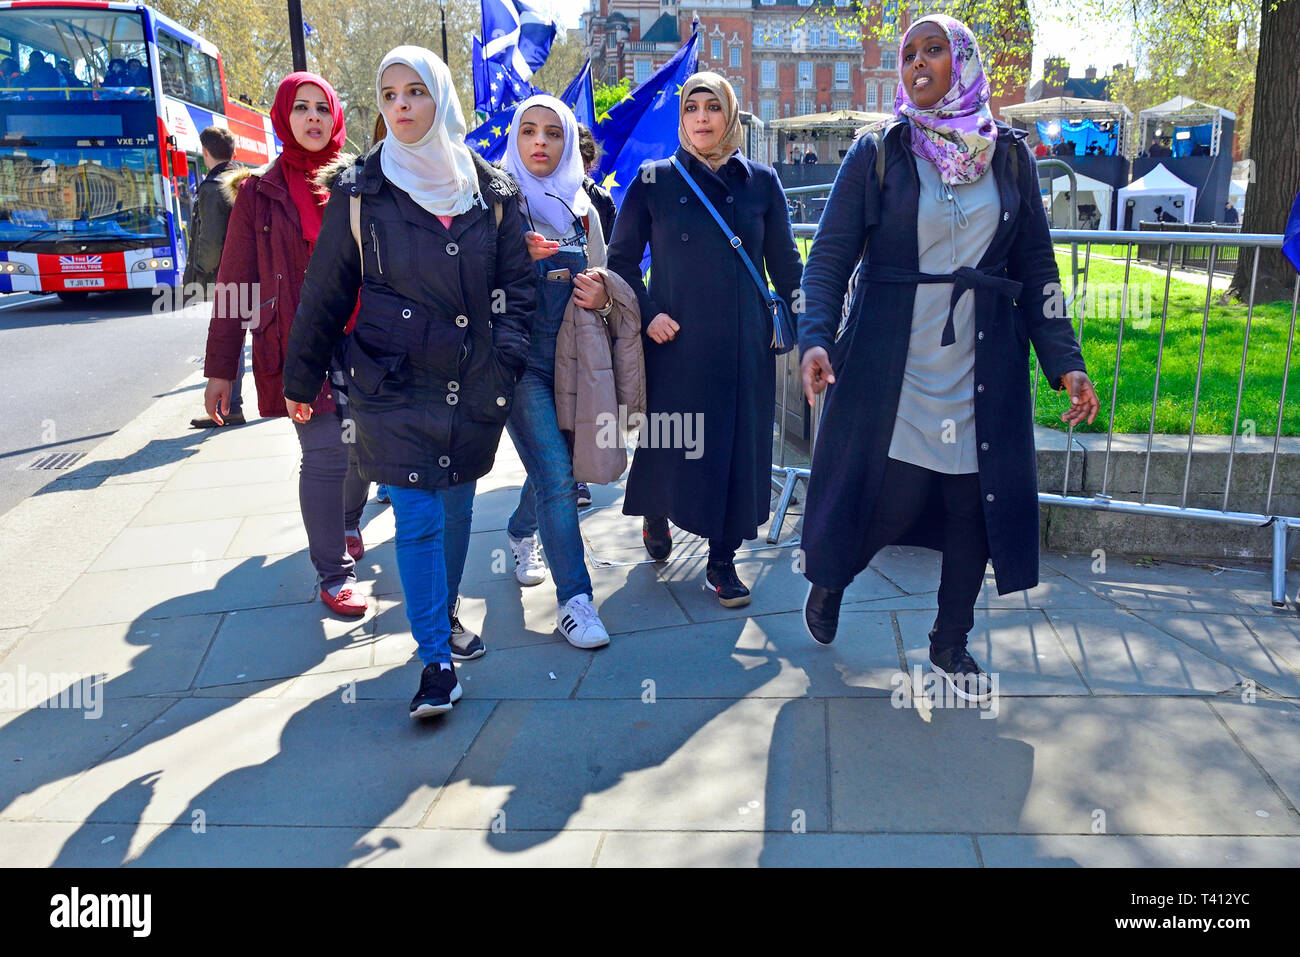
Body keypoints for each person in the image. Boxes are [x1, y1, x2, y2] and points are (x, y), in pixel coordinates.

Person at [797, 14, 1100, 701]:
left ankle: (950, 638)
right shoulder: (880, 151)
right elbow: (830, 259)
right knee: (891, 495)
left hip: (981, 365)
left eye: (935, 50)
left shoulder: (1011, 159)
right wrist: (816, 336)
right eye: (909, 53)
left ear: (963, 63)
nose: (919, 63)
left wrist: (1066, 361)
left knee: (973, 504)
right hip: (891, 364)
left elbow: (1038, 271)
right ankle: (833, 574)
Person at [284, 47, 534, 717]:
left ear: (441, 100)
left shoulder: (492, 191)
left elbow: (520, 290)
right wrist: (301, 375)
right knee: (417, 517)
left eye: (415, 91)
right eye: (388, 93)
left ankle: (444, 615)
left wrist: (504, 359)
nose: (400, 105)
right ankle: (435, 662)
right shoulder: (360, 190)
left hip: (470, 380)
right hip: (389, 382)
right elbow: (324, 290)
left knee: (455, 509)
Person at [606, 71, 804, 607]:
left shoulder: (761, 181)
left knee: (737, 449)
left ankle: (722, 561)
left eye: (712, 107)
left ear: (730, 115)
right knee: (673, 442)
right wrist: (647, 314)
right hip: (676, 343)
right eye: (691, 107)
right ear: (681, 118)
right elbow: (619, 262)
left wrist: (808, 330)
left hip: (745, 347)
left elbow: (786, 266)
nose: (701, 118)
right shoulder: (654, 179)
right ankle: (655, 513)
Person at [202, 71, 370, 617]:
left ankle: (347, 521)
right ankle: (332, 574)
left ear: (337, 117)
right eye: (301, 108)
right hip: (298, 346)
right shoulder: (257, 193)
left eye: (323, 108)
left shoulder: (367, 180)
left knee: (361, 453)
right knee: (324, 453)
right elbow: (235, 283)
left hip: (370, 340)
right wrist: (221, 369)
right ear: (283, 117)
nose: (314, 118)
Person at [499, 93, 614, 647]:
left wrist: (600, 294)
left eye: (552, 132)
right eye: (529, 131)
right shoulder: (494, 203)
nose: (540, 142)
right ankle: (576, 601)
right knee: (556, 473)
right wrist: (513, 255)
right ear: (515, 140)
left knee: (561, 466)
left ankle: (522, 532)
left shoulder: (584, 208)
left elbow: (607, 284)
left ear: (568, 141)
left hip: (573, 360)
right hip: (520, 360)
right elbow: (468, 288)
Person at [574, 122, 619, 508]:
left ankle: (577, 478)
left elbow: (610, 263)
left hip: (584, 327)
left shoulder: (596, 203)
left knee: (581, 411)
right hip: (535, 341)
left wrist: (605, 300)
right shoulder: (517, 199)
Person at [186, 127, 242, 427]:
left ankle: (231, 406)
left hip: (226, 271)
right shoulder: (243, 179)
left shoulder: (211, 188)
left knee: (229, 337)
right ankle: (234, 404)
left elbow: (209, 240)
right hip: (251, 268)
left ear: (205, 153)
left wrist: (204, 272)